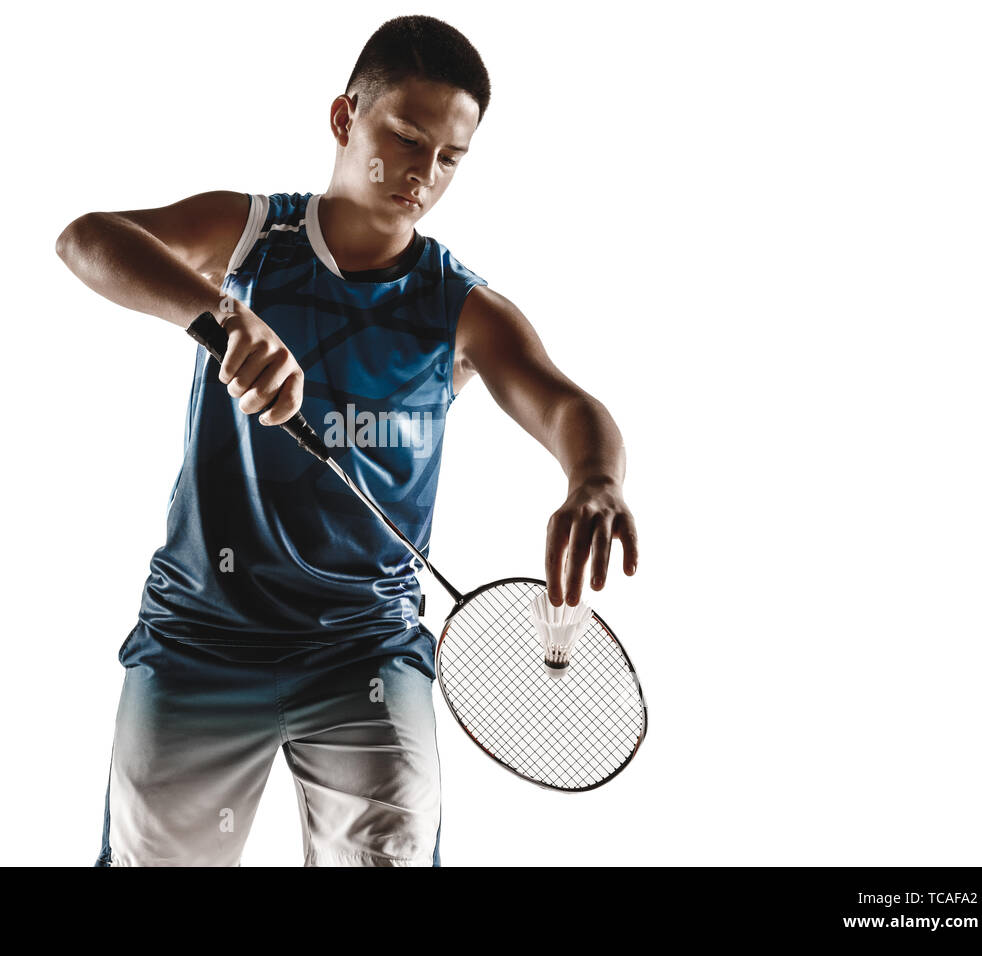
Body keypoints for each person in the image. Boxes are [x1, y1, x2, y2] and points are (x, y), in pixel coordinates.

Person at [56, 14, 638, 867]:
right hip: (201, 637)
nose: (423, 174)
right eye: (405, 137)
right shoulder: (251, 236)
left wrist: (595, 479)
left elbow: (565, 405)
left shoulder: (460, 309)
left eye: (449, 158)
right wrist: (222, 318)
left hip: (367, 649)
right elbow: (87, 239)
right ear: (344, 119)